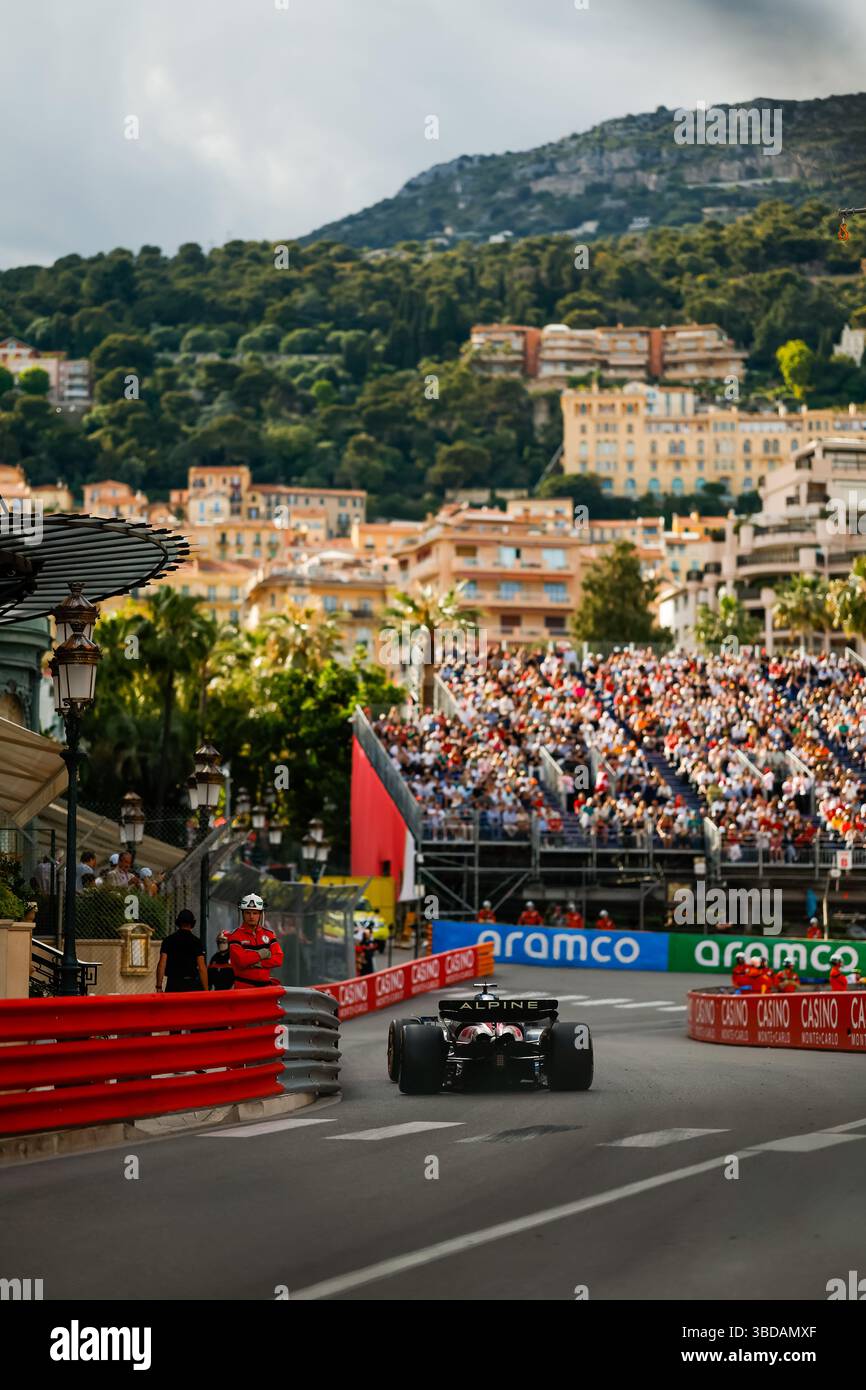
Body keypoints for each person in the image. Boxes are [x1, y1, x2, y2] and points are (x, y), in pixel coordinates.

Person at [225, 893, 284, 988]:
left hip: (265, 988)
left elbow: (278, 959)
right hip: (244, 988)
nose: (251, 916)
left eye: (255, 913)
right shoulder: (234, 936)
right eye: (248, 913)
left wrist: (259, 963)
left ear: (260, 914)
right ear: (243, 914)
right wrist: (261, 954)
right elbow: (241, 961)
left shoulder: (269, 934)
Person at [156, 909, 208, 993]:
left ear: (178, 923)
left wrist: (159, 986)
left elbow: (162, 964)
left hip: (173, 984)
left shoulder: (168, 940)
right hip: (191, 985)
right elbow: (202, 967)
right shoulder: (196, 942)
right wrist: (206, 990)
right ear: (192, 923)